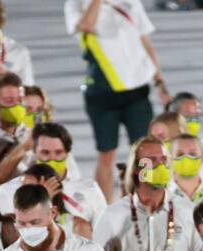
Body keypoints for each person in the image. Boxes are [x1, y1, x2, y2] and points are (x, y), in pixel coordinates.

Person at [65, 0, 171, 202]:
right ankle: (106, 208)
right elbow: (85, 26)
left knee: (144, 151)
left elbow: (145, 42)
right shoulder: (75, 4)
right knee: (107, 154)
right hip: (102, 92)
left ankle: (144, 201)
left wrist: (159, 82)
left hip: (137, 90)